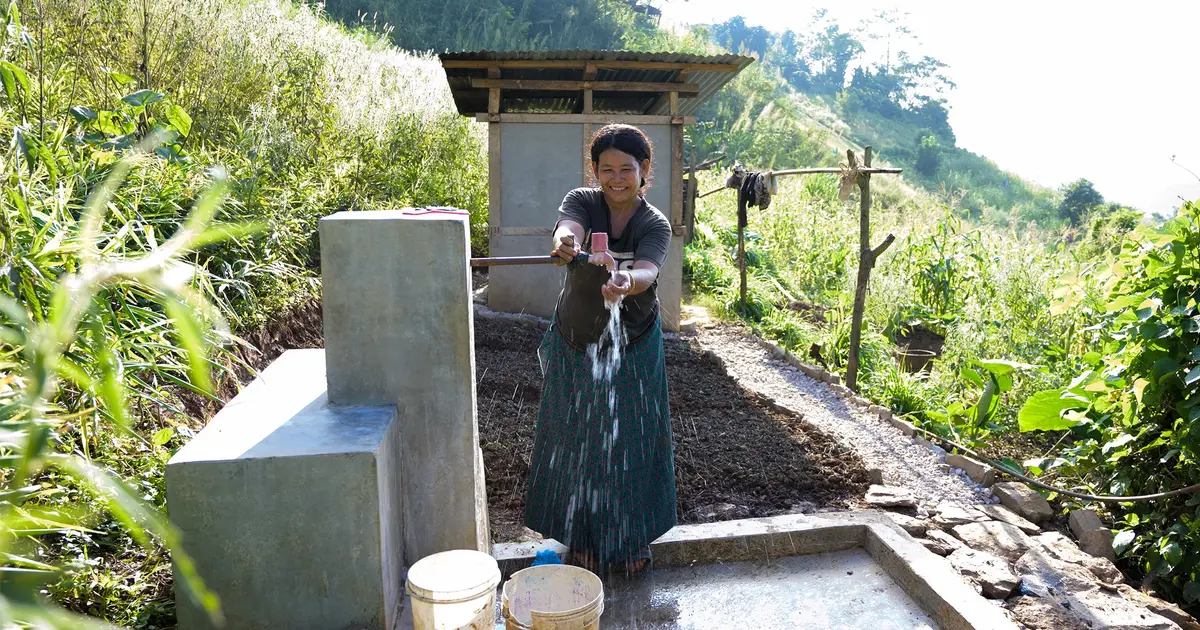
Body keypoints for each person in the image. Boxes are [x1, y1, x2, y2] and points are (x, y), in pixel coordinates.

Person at [523, 124, 676, 575]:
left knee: (634, 440)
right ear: (594, 170)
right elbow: (567, 228)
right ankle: (582, 540)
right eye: (606, 169)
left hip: (634, 343)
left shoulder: (654, 224)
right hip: (577, 340)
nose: (616, 178)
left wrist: (628, 281)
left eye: (626, 169)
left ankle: (630, 542)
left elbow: (648, 270)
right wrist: (564, 243)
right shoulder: (582, 201)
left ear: (644, 170)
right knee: (576, 440)